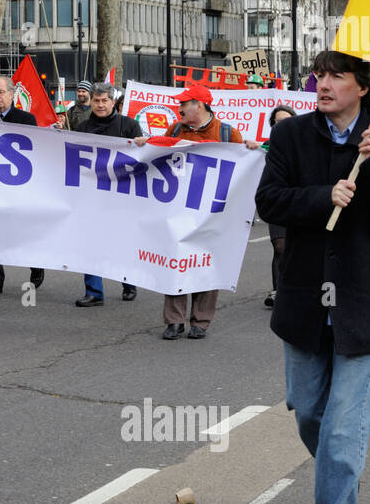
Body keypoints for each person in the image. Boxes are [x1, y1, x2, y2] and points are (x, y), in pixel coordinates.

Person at [256, 49, 370, 504]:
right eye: (319, 75)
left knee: (345, 426)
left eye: (336, 77)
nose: (322, 84)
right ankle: (341, 472)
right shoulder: (290, 135)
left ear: (363, 87)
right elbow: (269, 201)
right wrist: (323, 195)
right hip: (305, 301)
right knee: (310, 415)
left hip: (363, 302)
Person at [134, 84, 258, 339]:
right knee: (175, 257)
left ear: (199, 106)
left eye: (183, 104)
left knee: (204, 261)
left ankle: (201, 320)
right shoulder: (176, 129)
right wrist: (143, 144)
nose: (178, 108)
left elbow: (243, 168)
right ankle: (174, 321)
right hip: (178, 207)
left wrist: (251, 149)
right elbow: (158, 151)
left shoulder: (227, 134)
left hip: (212, 211)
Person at [73, 82, 141, 306]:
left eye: (105, 101)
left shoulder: (129, 125)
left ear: (113, 102)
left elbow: (142, 158)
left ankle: (128, 281)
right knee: (89, 242)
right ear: (91, 102)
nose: (100, 105)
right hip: (92, 195)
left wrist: (142, 144)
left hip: (122, 195)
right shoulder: (82, 128)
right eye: (96, 101)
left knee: (121, 241)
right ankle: (94, 291)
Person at [0, 76, 44, 293]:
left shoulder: (26, 119)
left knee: (23, 230)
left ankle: (36, 265)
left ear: (12, 94)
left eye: (1, 92)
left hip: (20, 185)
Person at [260, 104, 298, 308]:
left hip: (299, 203)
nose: (281, 125)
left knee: (298, 248)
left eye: (286, 120)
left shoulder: (303, 144)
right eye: (277, 122)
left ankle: (295, 288)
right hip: (277, 203)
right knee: (280, 246)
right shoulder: (265, 147)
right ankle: (278, 291)